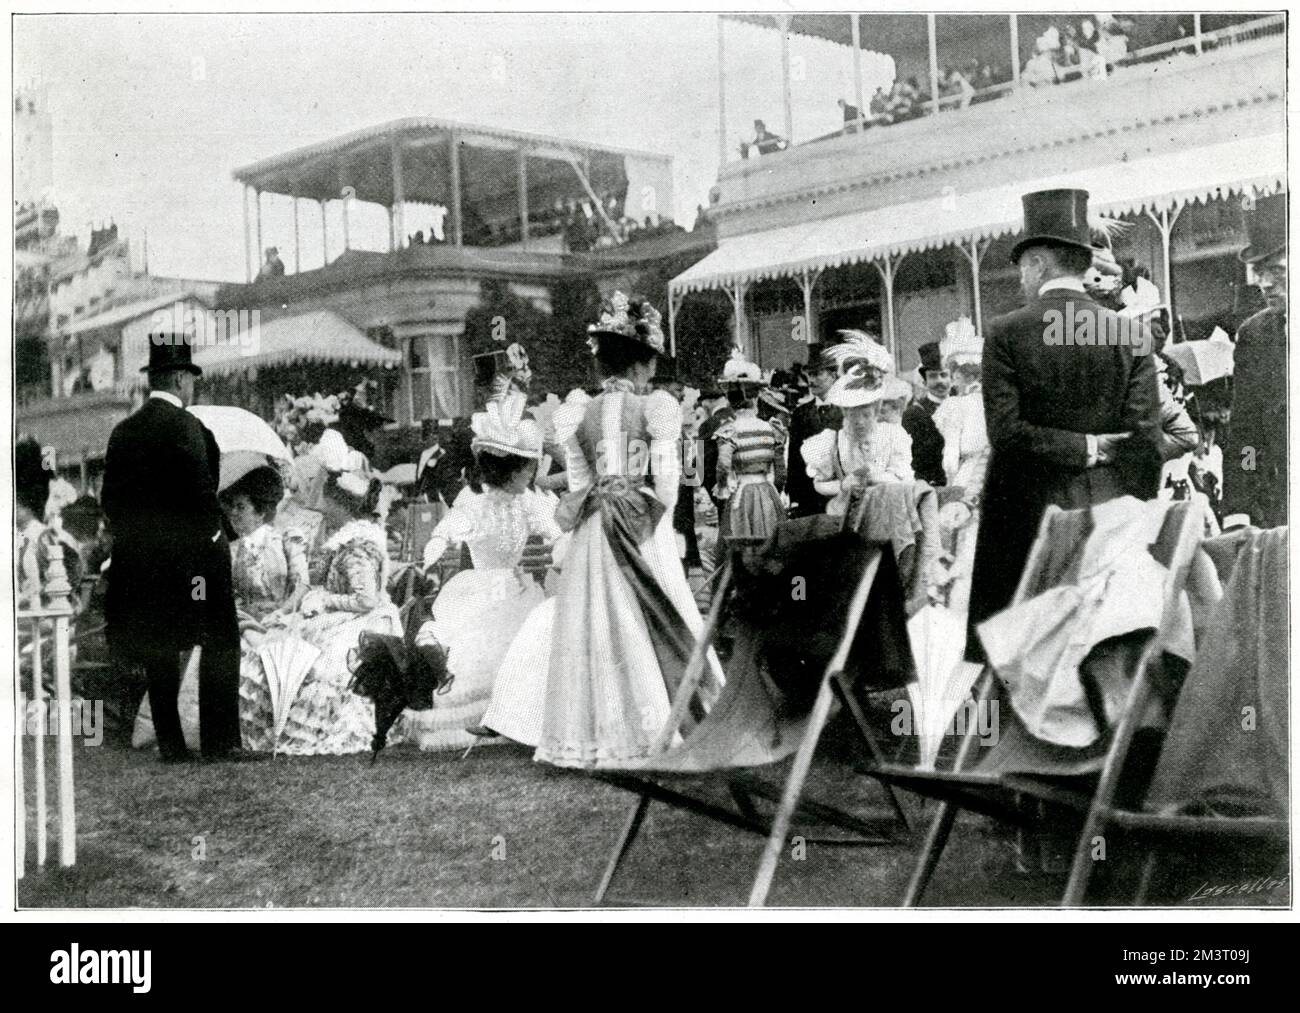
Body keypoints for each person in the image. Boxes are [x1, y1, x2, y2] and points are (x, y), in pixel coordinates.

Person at [520, 292, 723, 767]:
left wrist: (603, 506)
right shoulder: (658, 407)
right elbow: (669, 485)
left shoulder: (578, 412)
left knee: (596, 626)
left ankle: (596, 736)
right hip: (640, 520)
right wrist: (651, 519)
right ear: (640, 364)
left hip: (594, 526)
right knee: (655, 611)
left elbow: (579, 482)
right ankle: (661, 727)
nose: (652, 371)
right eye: (650, 362)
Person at [967, 188, 1162, 661]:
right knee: (1104, 649)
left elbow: (1007, 433)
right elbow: (1147, 442)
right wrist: (1125, 496)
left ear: (1037, 263)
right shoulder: (1129, 333)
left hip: (1025, 518)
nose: (1021, 279)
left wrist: (1084, 448)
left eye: (1021, 268)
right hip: (1110, 517)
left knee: (1016, 651)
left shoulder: (1005, 332)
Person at [397, 382, 561, 752]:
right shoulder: (474, 502)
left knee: (523, 644)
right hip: (479, 587)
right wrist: (430, 559)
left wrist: (571, 547)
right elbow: (444, 532)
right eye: (526, 470)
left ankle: (516, 719)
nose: (531, 477)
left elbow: (555, 533)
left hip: (516, 587)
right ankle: (483, 720)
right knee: (477, 648)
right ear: (510, 470)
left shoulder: (528, 503)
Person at [102, 336, 242, 762]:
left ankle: (173, 746)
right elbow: (204, 493)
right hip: (194, 561)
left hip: (142, 561)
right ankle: (219, 743)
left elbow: (110, 501)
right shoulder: (190, 428)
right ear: (182, 379)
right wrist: (215, 541)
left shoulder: (123, 432)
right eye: (191, 379)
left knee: (159, 646)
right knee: (219, 636)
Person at [241, 467, 400, 754]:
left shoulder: (357, 544)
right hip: (341, 614)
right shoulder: (340, 538)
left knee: (316, 664)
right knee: (277, 645)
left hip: (361, 621)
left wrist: (326, 601)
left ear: (337, 503)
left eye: (324, 495)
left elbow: (366, 600)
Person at [1223, 191, 1287, 530]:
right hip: (1281, 515)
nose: (1264, 284)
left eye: (1276, 270)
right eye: (1259, 272)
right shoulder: (1254, 335)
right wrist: (1239, 507)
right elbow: (1246, 436)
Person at [802, 366, 914, 518]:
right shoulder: (832, 441)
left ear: (875, 411)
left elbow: (905, 479)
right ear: (845, 413)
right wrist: (843, 486)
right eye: (854, 416)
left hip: (888, 514)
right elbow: (819, 484)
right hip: (848, 516)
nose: (860, 422)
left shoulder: (893, 436)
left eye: (866, 415)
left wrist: (872, 478)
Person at [712, 353, 786, 542]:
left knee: (742, 542)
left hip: (743, 493)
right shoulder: (771, 428)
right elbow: (780, 471)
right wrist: (774, 490)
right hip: (768, 493)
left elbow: (723, 464)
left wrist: (722, 488)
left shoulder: (730, 430)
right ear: (755, 400)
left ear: (730, 401)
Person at [786, 344, 842, 516]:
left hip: (840, 493)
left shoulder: (847, 409)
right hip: (808, 496)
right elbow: (794, 457)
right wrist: (794, 495)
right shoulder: (800, 413)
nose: (811, 380)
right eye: (809, 374)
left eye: (817, 374)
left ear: (833, 375)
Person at [901, 341, 949, 487]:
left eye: (944, 375)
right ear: (924, 381)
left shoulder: (963, 404)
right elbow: (912, 460)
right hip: (932, 485)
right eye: (933, 376)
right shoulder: (914, 414)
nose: (940, 381)